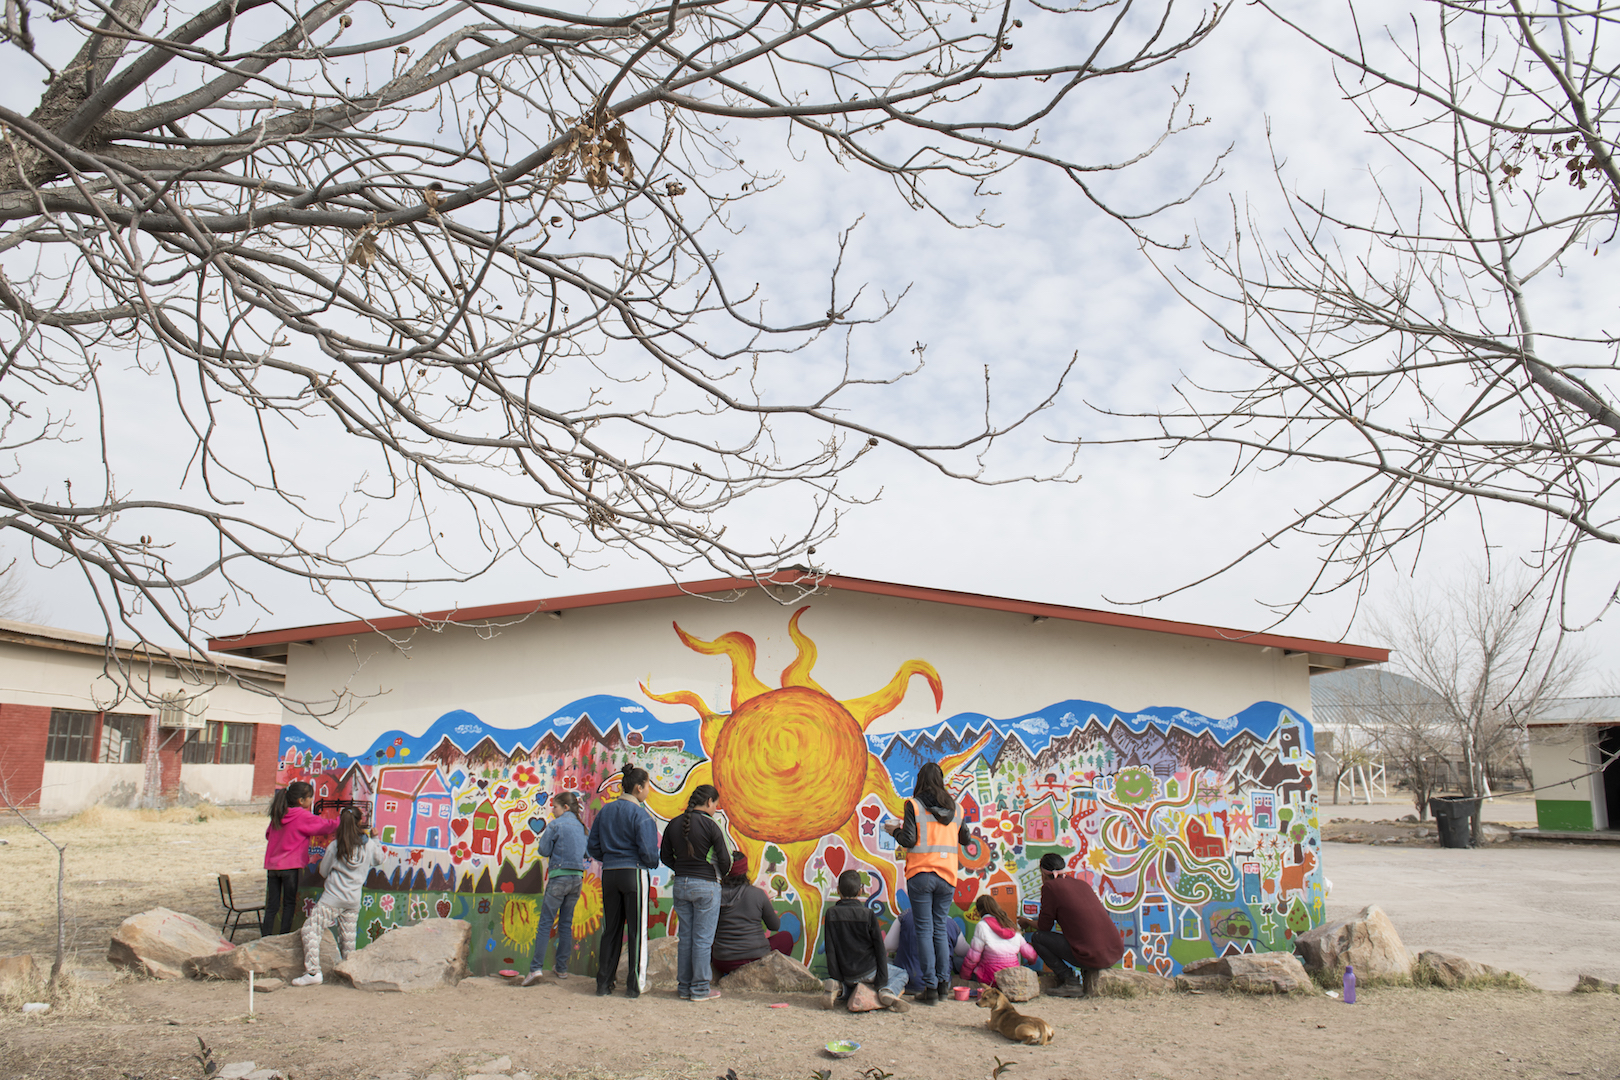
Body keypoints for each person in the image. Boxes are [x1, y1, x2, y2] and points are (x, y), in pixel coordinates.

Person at [885, 762, 971, 1004]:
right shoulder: (957, 808)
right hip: (947, 877)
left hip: (920, 875)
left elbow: (909, 840)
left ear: (920, 780)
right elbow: (966, 838)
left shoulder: (913, 805)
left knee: (924, 930)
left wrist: (894, 831)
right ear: (941, 780)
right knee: (940, 928)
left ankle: (930, 988)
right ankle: (944, 985)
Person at [586, 765, 660, 998]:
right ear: (639, 787)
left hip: (609, 874)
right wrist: (651, 861)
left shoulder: (605, 812)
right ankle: (635, 985)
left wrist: (609, 858)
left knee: (611, 929)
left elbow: (593, 847)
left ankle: (603, 984)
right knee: (637, 931)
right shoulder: (641, 815)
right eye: (648, 786)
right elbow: (649, 854)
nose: (648, 790)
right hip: (634, 873)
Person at [292, 806, 383, 986]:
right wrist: (375, 838)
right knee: (347, 939)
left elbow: (324, 872)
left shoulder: (336, 845)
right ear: (359, 822)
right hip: (353, 899)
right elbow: (379, 859)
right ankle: (347, 973)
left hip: (332, 898)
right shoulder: (370, 845)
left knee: (310, 930)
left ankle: (312, 972)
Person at [659, 783, 731, 1002]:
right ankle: (700, 989)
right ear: (709, 802)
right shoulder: (712, 825)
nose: (716, 809)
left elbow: (664, 857)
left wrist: (681, 869)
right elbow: (726, 860)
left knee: (686, 938)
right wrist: (718, 873)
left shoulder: (674, 823)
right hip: (706, 886)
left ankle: (684, 987)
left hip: (681, 885)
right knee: (702, 940)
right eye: (716, 804)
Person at [1018, 853, 1125, 997]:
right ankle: (1082, 974)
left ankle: (1070, 981)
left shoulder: (1050, 887)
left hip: (1092, 956)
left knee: (1038, 938)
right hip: (1113, 953)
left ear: (1042, 873)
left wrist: (1026, 922)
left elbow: (1044, 927)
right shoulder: (1081, 884)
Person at [821, 870, 909, 1013]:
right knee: (903, 974)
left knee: (853, 986)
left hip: (846, 974)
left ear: (838, 890)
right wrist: (881, 981)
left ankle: (840, 988)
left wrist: (837, 977)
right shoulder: (868, 914)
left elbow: (830, 950)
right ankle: (887, 991)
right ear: (861, 891)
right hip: (869, 971)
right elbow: (880, 949)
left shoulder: (831, 914)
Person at [523, 791, 587, 986]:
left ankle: (535, 969)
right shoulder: (583, 828)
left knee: (545, 923)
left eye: (555, 806)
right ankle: (561, 969)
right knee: (565, 923)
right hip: (577, 879)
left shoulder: (556, 825)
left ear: (565, 807)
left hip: (559, 878)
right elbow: (587, 852)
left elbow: (543, 850)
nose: (552, 810)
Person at [262, 781, 341, 938]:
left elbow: (268, 835)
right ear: (301, 801)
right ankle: (283, 938)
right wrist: (342, 820)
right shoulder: (302, 816)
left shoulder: (279, 813)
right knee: (289, 904)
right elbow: (325, 826)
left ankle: (265, 938)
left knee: (272, 906)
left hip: (272, 867)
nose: (312, 801)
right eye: (310, 798)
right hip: (290, 868)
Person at [712, 852, 793, 979]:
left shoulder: (714, 894)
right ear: (745, 871)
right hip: (755, 957)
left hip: (723, 961)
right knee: (786, 938)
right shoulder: (758, 894)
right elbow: (774, 926)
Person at [883, 907, 967, 994]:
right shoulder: (951, 923)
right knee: (959, 961)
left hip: (908, 983)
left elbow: (888, 946)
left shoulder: (905, 915)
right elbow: (964, 952)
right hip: (940, 986)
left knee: (884, 961)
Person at [960, 894, 1036, 985]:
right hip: (1011, 977)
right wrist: (1031, 961)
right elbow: (1031, 955)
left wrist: (965, 977)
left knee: (957, 962)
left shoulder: (982, 926)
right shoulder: (1010, 925)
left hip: (990, 979)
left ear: (979, 911)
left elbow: (973, 958)